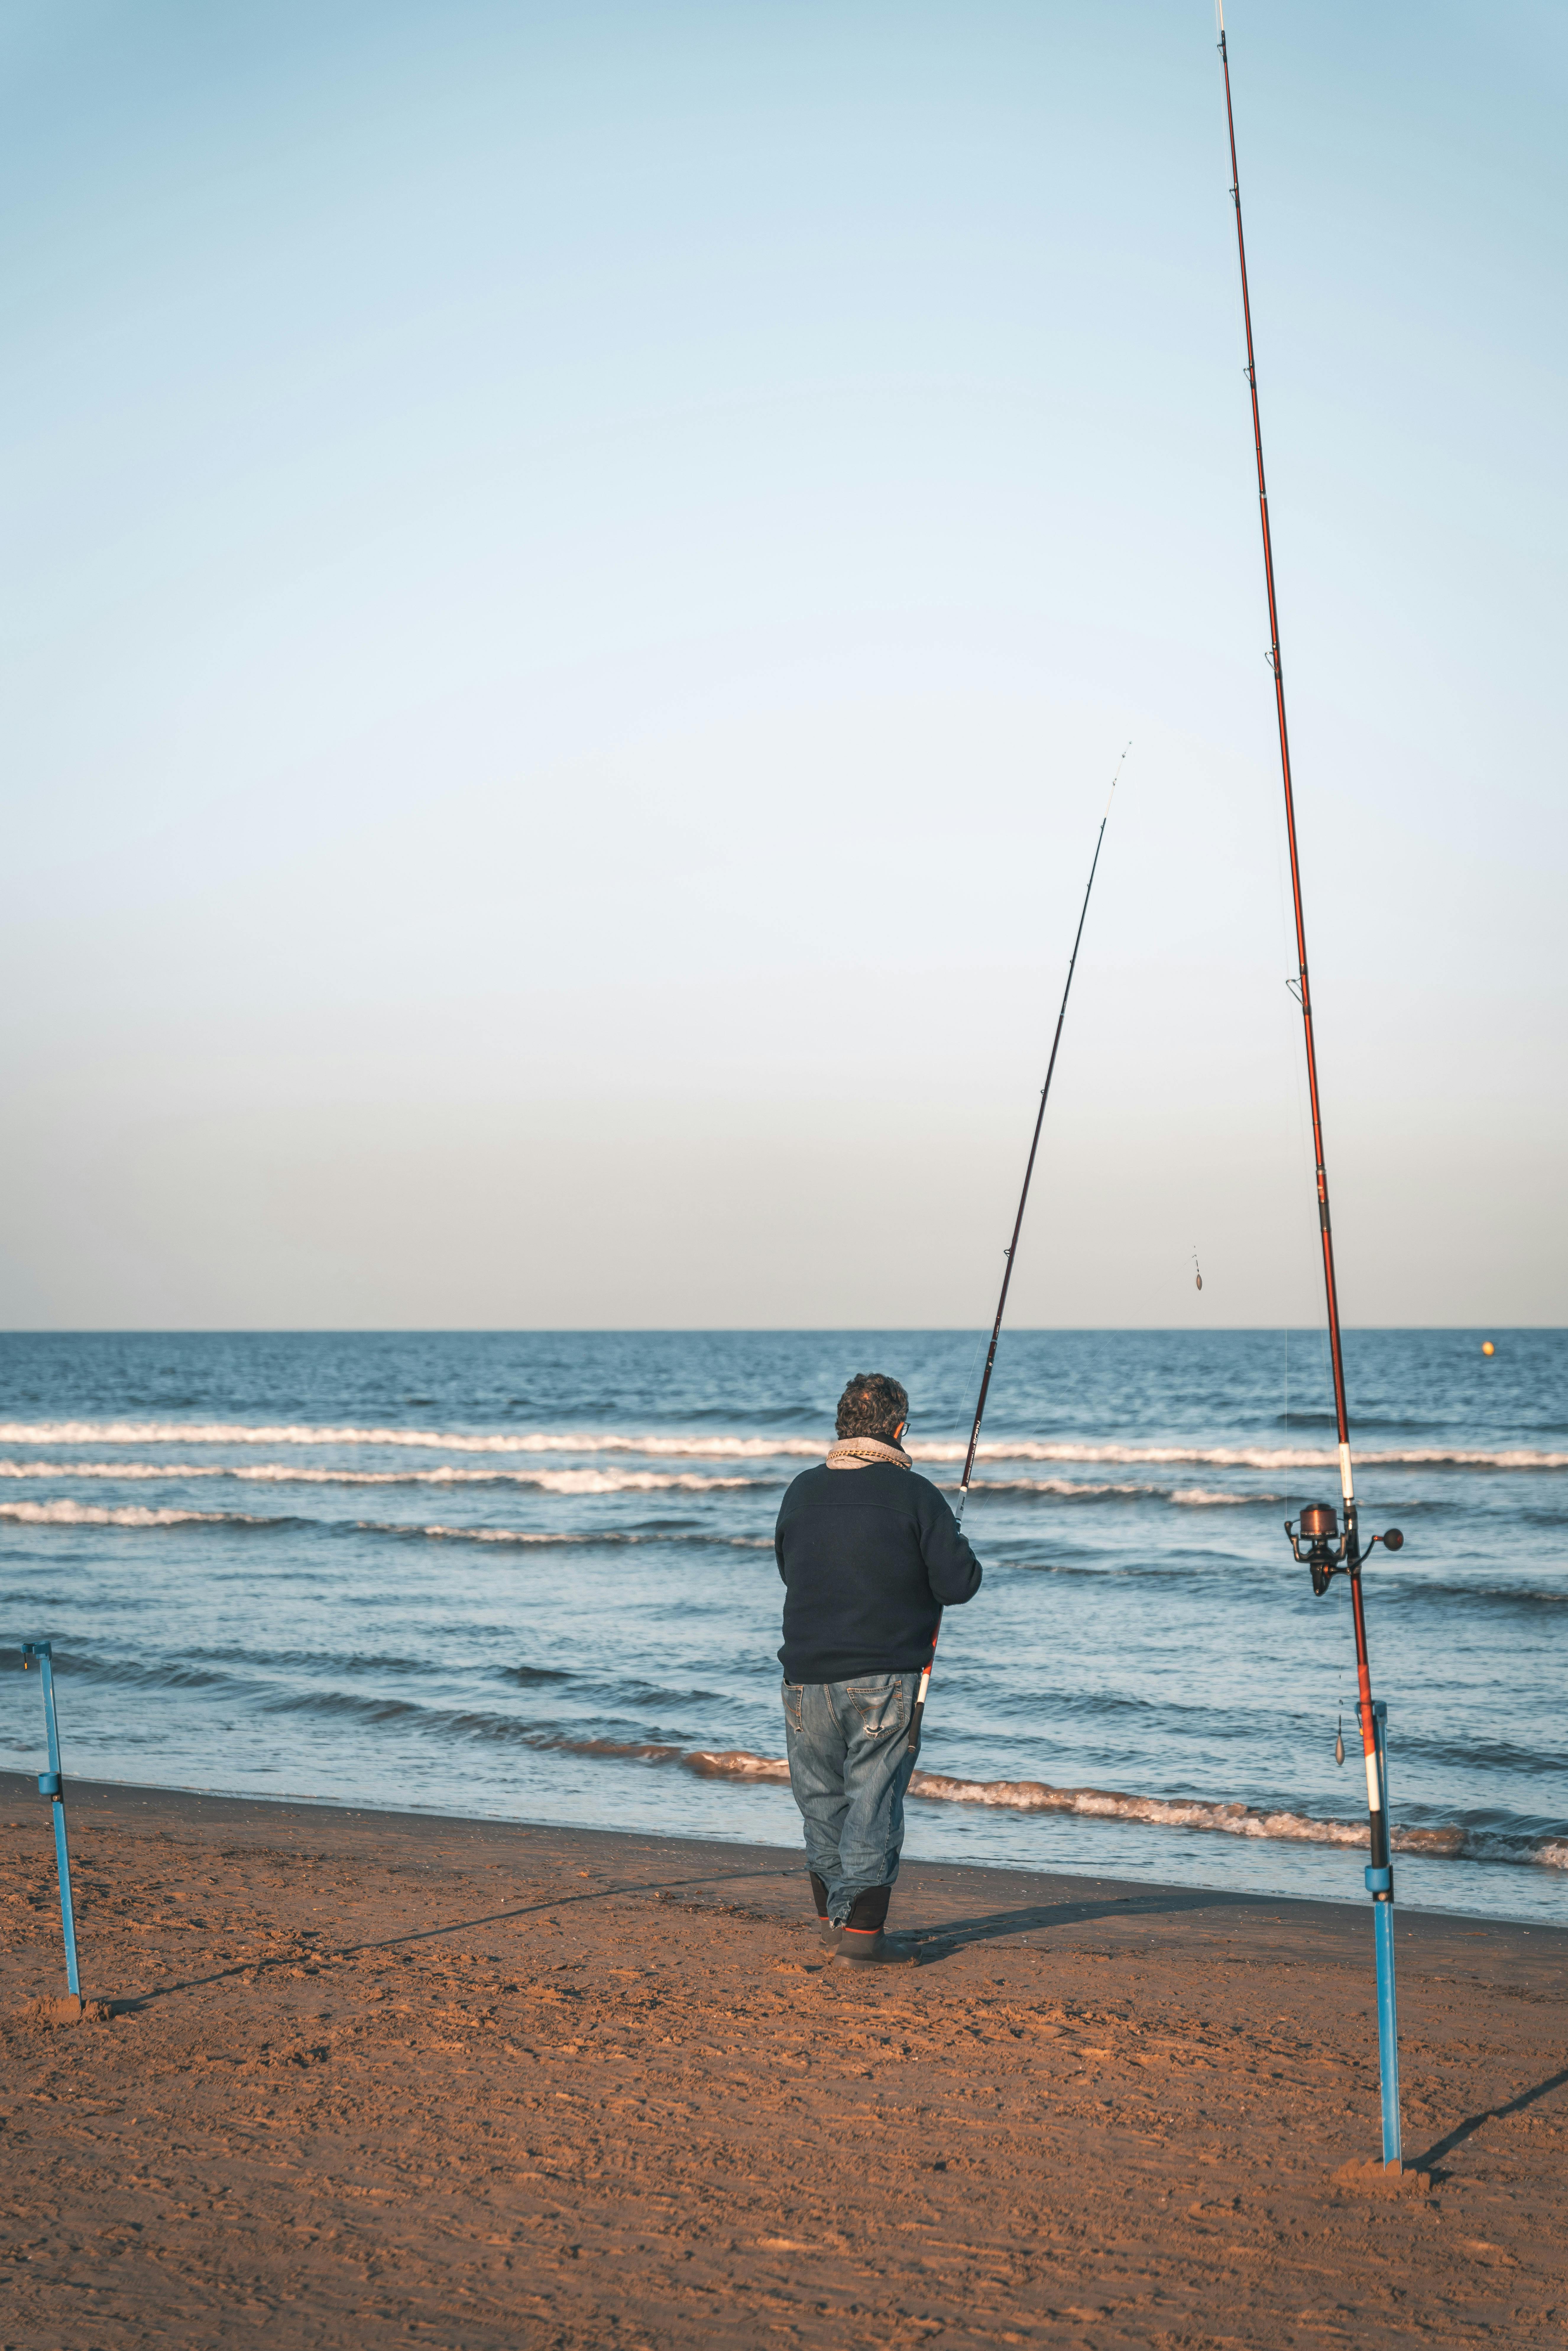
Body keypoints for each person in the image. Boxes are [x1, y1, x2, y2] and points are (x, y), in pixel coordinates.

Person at [775, 1370, 982, 1963]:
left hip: (804, 1674)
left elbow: (791, 1568)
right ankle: (863, 1938)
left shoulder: (801, 1490)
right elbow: (959, 1584)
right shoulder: (915, 1495)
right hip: (884, 1676)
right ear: (898, 1430)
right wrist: (952, 1541)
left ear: (844, 1427)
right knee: (873, 1802)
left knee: (822, 1802)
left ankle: (834, 1923)